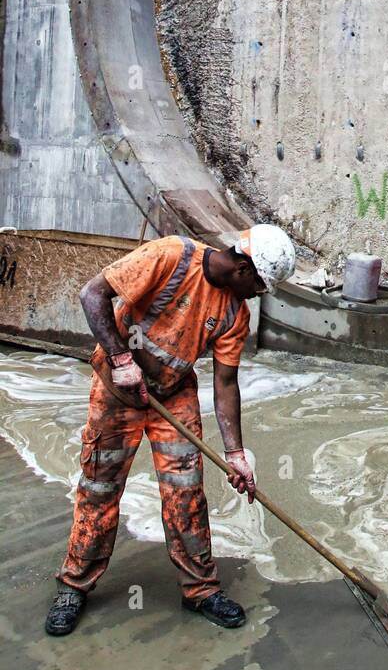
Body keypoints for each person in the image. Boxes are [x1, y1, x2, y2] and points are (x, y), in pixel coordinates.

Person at [44, 224, 295, 635]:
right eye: (261, 285)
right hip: (116, 390)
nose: (258, 294)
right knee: (100, 488)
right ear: (243, 268)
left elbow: (226, 383)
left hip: (172, 396)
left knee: (186, 495)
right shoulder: (170, 256)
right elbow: (93, 295)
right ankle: (74, 586)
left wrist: (236, 455)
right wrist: (121, 359)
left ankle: (200, 590)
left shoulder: (235, 313)